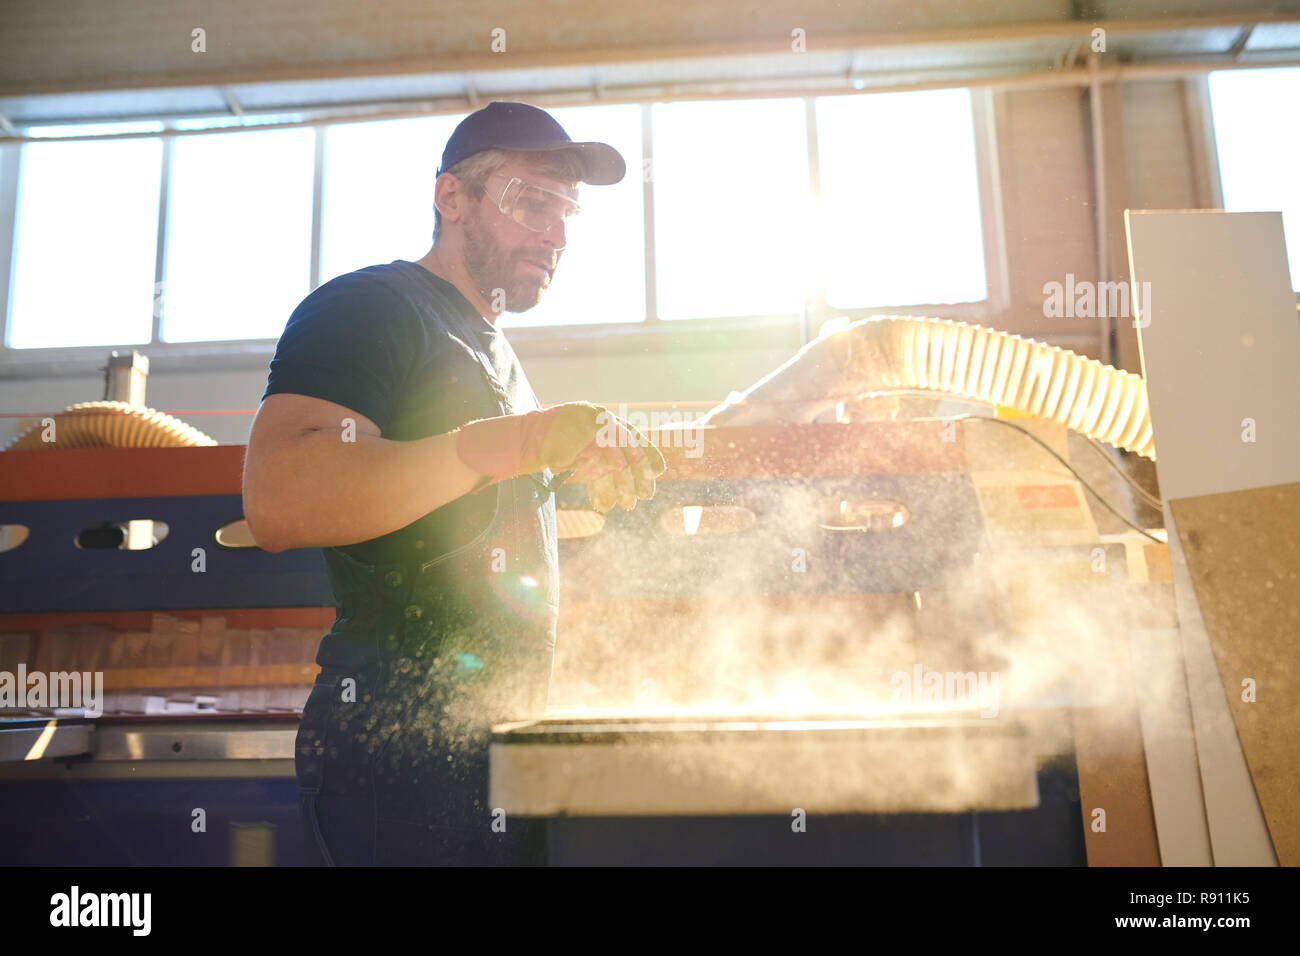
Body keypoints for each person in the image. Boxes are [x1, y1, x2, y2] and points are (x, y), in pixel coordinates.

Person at [241, 101, 667, 865]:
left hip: (493, 752)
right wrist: (508, 443)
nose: (557, 231)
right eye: (531, 200)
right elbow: (279, 495)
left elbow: (462, 529)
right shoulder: (372, 306)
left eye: (567, 210)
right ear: (452, 198)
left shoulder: (500, 357)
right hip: (395, 756)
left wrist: (557, 468)